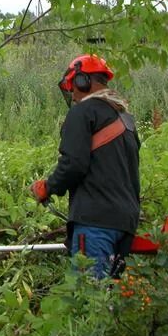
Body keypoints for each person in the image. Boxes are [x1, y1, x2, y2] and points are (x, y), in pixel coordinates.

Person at [30, 54, 140, 279]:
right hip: (125, 224)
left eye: (73, 86)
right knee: (110, 295)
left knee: (89, 295)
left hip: (95, 223)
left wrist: (49, 187)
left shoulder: (83, 112)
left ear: (83, 81)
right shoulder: (125, 119)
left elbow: (74, 163)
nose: (72, 94)